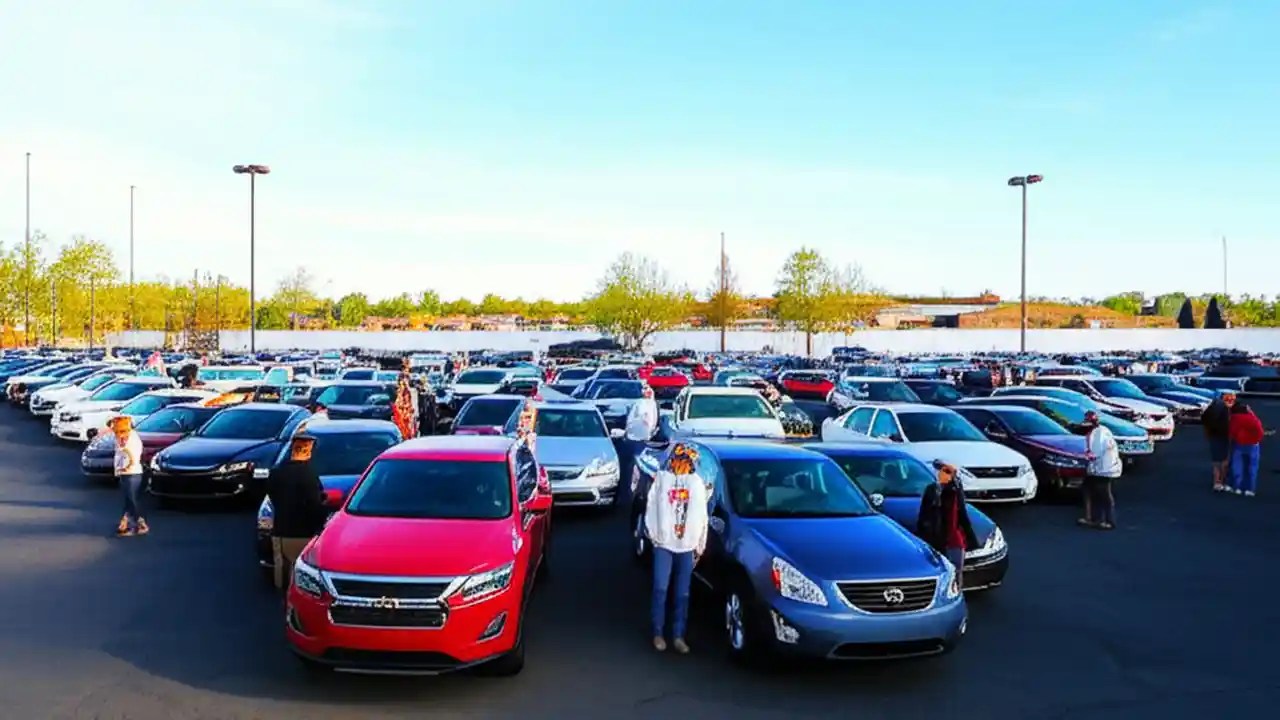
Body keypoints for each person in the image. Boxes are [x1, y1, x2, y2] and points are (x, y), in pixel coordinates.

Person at [644, 443, 708, 655]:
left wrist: (700, 543)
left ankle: (679, 635)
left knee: (682, 593)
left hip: (687, 545)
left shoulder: (697, 484)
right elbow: (651, 507)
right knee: (661, 588)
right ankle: (658, 633)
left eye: (686, 461)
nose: (682, 464)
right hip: (664, 544)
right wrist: (655, 535)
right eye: (679, 460)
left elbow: (702, 516)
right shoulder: (662, 480)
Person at [265, 435, 328, 592]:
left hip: (279, 530)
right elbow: (315, 505)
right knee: (301, 573)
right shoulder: (308, 475)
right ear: (307, 450)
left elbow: (271, 495)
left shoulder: (277, 472)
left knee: (281, 570)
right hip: (302, 532)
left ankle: (281, 597)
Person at [917, 460, 976, 587]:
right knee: (941, 574)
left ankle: (956, 594)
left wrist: (971, 539)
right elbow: (924, 516)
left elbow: (962, 514)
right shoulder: (932, 490)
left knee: (956, 573)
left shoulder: (955, 491)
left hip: (953, 539)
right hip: (936, 538)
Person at [1080, 411, 1122, 529]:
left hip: (1103, 468)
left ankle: (1107, 520)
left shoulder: (1098, 434)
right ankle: (1092, 517)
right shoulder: (1101, 431)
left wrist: (1085, 457)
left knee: (1103, 494)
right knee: (1089, 489)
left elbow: (1095, 453)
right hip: (1103, 467)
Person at [112, 416, 148, 537]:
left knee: (132, 499)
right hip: (124, 473)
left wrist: (125, 466)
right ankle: (124, 523)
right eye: (116, 431)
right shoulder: (120, 438)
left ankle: (140, 523)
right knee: (128, 499)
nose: (118, 434)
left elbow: (131, 456)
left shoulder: (133, 439)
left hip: (133, 472)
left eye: (120, 431)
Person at [623, 386, 659, 487]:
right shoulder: (639, 403)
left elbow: (653, 421)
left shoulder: (652, 404)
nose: (646, 392)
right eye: (644, 390)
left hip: (644, 439)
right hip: (636, 438)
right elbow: (631, 421)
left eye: (648, 390)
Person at [1227, 402, 1265, 497]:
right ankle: (1250, 489)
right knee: (1252, 467)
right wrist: (1256, 440)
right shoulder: (1252, 418)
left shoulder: (1234, 419)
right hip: (1253, 444)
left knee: (1237, 466)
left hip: (1239, 444)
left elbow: (1231, 432)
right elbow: (1260, 431)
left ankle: (1237, 487)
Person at [1202, 391, 1235, 492]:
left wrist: (1209, 429)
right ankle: (1223, 481)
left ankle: (1216, 482)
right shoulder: (1228, 409)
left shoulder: (1213, 407)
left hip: (1213, 435)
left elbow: (1204, 418)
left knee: (1216, 461)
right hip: (1224, 436)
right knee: (1225, 459)